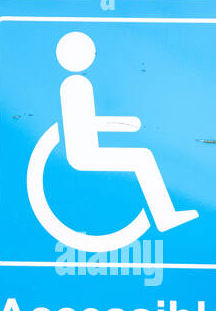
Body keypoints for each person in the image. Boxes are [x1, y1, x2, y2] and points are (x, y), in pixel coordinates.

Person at [55, 31, 198, 232]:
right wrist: (126, 123)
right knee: (143, 157)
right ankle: (165, 217)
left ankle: (165, 215)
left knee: (142, 157)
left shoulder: (77, 83)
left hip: (88, 149)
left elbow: (89, 123)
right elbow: (84, 124)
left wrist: (125, 123)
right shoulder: (76, 84)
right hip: (83, 154)